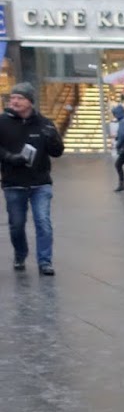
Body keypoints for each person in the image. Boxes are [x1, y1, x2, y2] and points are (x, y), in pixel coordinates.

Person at [0, 83, 64, 275]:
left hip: (40, 182)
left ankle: (45, 261)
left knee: (43, 221)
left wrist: (53, 139)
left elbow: (57, 152)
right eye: (12, 98)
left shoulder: (45, 123)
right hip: (13, 183)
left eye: (19, 98)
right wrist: (9, 157)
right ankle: (20, 254)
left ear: (30, 101)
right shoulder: (2, 122)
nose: (14, 101)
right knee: (17, 225)